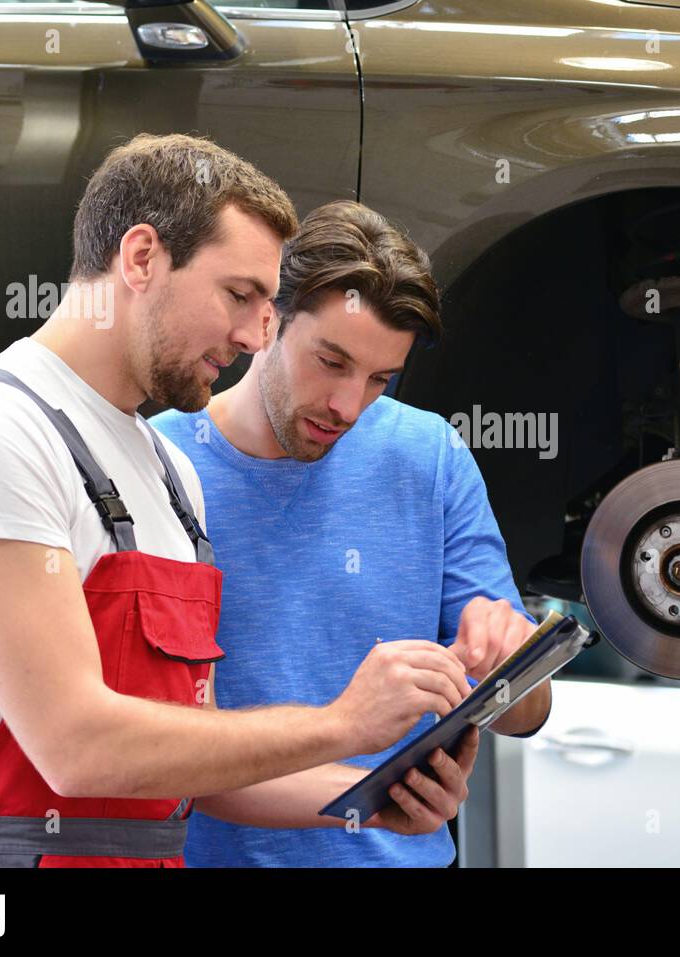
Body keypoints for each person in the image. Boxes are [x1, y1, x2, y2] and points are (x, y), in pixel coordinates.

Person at [0, 135, 478, 868]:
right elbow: (78, 746)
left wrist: (369, 796)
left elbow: (198, 760)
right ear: (139, 258)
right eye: (239, 295)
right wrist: (342, 723)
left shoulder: (169, 471)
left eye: (267, 303)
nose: (255, 333)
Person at [151, 200, 550, 867]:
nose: (348, 406)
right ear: (267, 317)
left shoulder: (430, 456)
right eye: (331, 362)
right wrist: (367, 792)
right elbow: (159, 754)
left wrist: (508, 660)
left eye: (379, 379)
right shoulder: (158, 465)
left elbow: (527, 711)